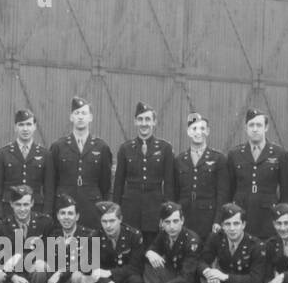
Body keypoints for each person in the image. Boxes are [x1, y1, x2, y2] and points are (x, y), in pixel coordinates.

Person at [77, 201, 146, 283]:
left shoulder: (133, 235)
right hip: (105, 282)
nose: (108, 226)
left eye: (112, 221)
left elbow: (136, 267)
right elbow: (90, 268)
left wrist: (110, 273)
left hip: (126, 277)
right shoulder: (95, 237)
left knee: (136, 282)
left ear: (120, 219)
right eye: (104, 221)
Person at [112, 102, 175, 244]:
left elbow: (169, 184)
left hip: (155, 210)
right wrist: (115, 212)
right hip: (130, 210)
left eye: (148, 119)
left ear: (154, 122)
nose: (144, 123)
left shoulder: (165, 148)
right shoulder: (125, 148)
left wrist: (167, 214)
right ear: (135, 122)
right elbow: (118, 185)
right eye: (140, 119)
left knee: (152, 253)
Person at [31, 194, 96, 283]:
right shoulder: (53, 235)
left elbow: (87, 263)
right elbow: (48, 260)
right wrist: (41, 263)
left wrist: (60, 273)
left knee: (77, 277)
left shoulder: (89, 235)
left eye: (70, 213)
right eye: (63, 213)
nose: (66, 217)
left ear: (77, 216)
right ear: (58, 216)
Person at [47, 96, 112, 230]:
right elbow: (51, 182)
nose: (80, 117)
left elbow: (105, 184)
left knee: (91, 246)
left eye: (84, 113)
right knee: (62, 247)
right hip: (65, 207)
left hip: (91, 207)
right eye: (77, 113)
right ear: (71, 117)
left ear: (91, 117)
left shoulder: (101, 147)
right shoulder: (58, 146)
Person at [226, 107, 288, 239]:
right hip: (242, 215)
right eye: (251, 125)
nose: (255, 129)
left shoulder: (280, 154)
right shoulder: (235, 154)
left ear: (266, 128)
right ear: (246, 128)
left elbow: (286, 192)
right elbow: (230, 189)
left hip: (268, 217)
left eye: (259, 125)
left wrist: (283, 217)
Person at [140, 201, 206, 283]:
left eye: (175, 221)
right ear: (162, 223)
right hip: (105, 280)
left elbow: (187, 278)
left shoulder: (191, 240)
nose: (172, 226)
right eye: (167, 222)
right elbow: (89, 271)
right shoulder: (92, 236)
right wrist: (108, 280)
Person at [173, 112, 230, 243]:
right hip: (185, 218)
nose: (198, 132)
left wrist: (218, 220)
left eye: (202, 128)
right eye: (194, 128)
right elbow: (176, 193)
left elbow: (222, 194)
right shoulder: (179, 160)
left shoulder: (218, 159)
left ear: (208, 131)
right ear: (188, 132)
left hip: (208, 220)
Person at [0, 108, 53, 218]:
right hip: (8, 211)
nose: (25, 129)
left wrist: (46, 216)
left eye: (29, 124)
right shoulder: (2, 153)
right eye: (21, 125)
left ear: (34, 127)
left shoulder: (45, 155)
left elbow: (49, 191)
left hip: (36, 211)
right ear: (15, 127)